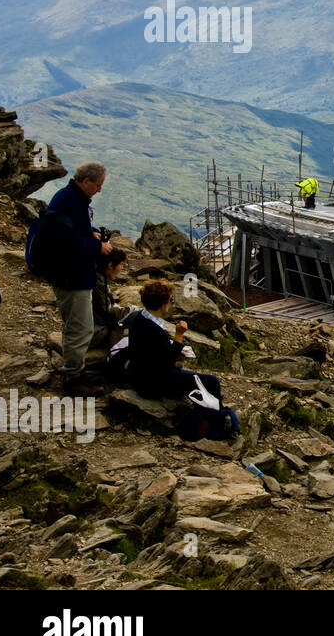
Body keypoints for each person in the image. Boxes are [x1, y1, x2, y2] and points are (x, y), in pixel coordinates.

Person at [123, 280, 237, 437]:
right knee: (211, 382)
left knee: (194, 379)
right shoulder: (152, 328)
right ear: (163, 303)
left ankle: (212, 417)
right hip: (153, 383)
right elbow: (166, 362)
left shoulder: (140, 318)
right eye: (171, 300)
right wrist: (178, 336)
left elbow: (153, 355)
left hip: (141, 375)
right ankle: (215, 425)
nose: (171, 303)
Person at [35, 162, 113, 392]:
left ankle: (73, 369)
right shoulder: (69, 202)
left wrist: (90, 232)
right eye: (98, 185)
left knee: (76, 325)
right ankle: (73, 378)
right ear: (86, 181)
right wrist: (98, 247)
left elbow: (71, 232)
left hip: (72, 274)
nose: (99, 190)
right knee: (80, 327)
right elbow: (66, 244)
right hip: (71, 276)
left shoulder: (70, 198)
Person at [91, 248, 127, 348]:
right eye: (121, 264)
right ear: (110, 265)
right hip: (93, 332)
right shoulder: (98, 285)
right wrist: (130, 311)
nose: (122, 268)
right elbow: (108, 312)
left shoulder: (98, 279)